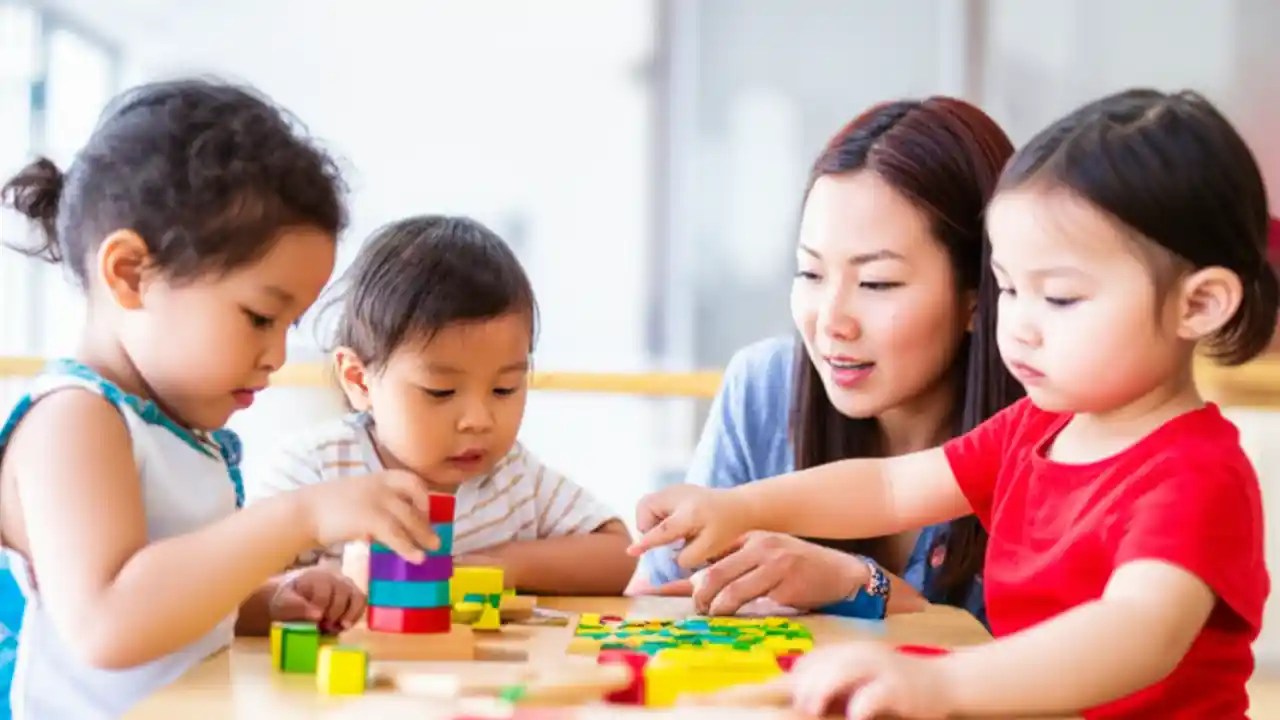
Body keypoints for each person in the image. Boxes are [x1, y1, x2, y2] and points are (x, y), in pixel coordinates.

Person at [628, 89, 1274, 719]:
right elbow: (886, 487)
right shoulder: (1035, 428)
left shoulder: (1194, 473)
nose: (1016, 323)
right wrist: (739, 505)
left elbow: (1135, 632)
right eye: (1008, 289)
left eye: (1059, 298)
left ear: (1198, 304)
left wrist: (942, 683)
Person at [0, 79, 441, 719]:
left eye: (290, 327)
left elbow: (172, 608)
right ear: (129, 274)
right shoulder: (74, 421)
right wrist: (301, 518)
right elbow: (109, 623)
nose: (277, 354)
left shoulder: (177, 430)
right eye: (261, 317)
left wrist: (269, 598)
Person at [631, 97, 1023, 623]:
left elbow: (1058, 670)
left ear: (979, 296)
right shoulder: (764, 388)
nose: (831, 321)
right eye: (810, 274)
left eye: (877, 282)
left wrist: (857, 585)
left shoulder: (1047, 435)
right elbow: (651, 604)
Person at [246, 215, 636, 595]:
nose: (478, 420)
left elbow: (620, 556)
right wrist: (307, 588)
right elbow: (232, 584)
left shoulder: (513, 477)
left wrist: (504, 565)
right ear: (359, 380)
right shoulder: (317, 468)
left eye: (504, 389)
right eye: (440, 391)